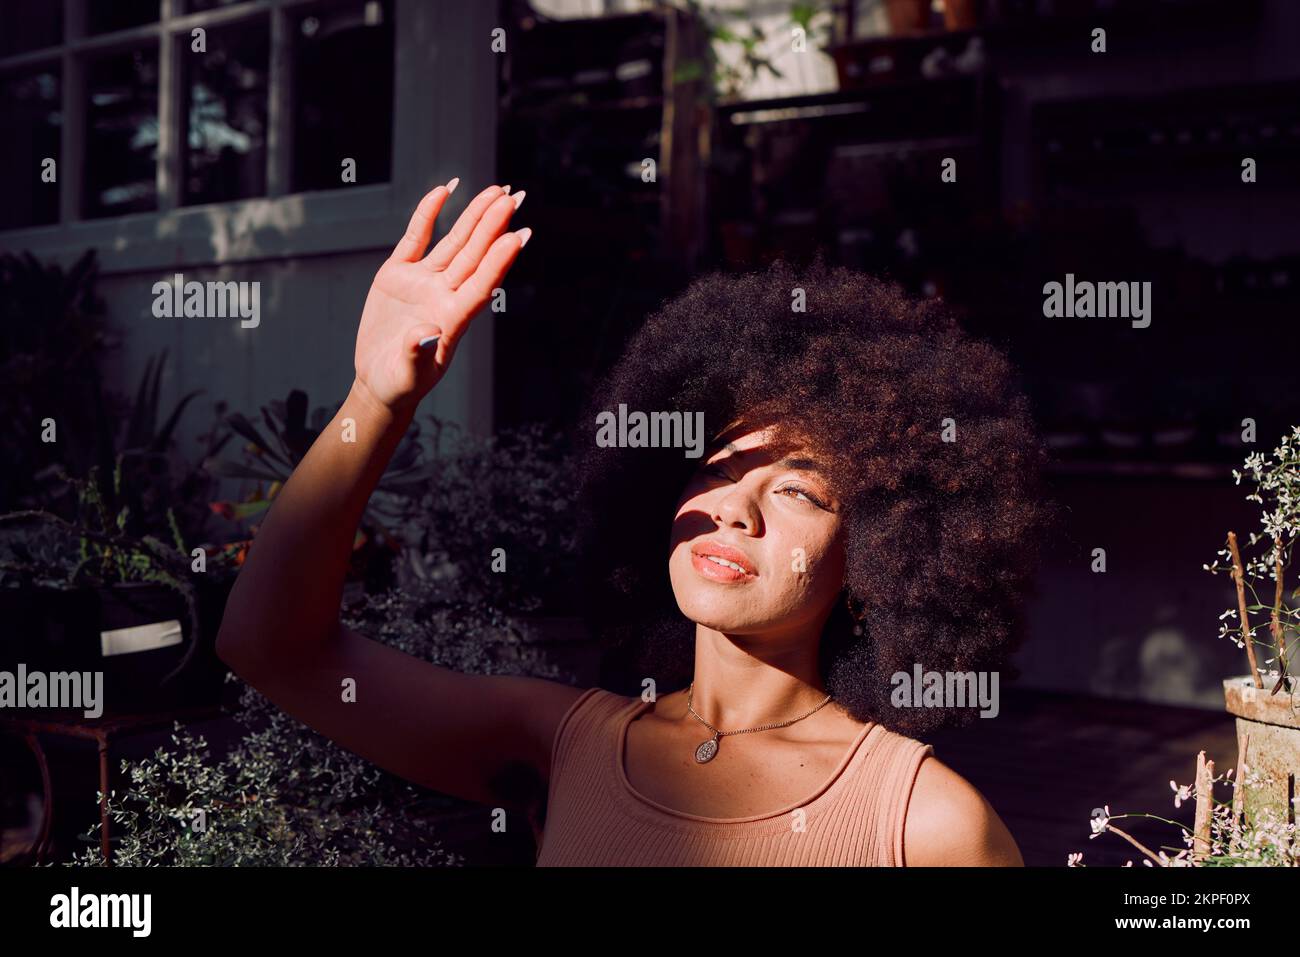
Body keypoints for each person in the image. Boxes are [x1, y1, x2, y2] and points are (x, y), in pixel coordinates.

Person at [216, 182, 1051, 867]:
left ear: (879, 560)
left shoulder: (926, 824)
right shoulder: (562, 745)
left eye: (799, 492)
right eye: (715, 468)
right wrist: (376, 401)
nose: (733, 505)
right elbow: (270, 646)